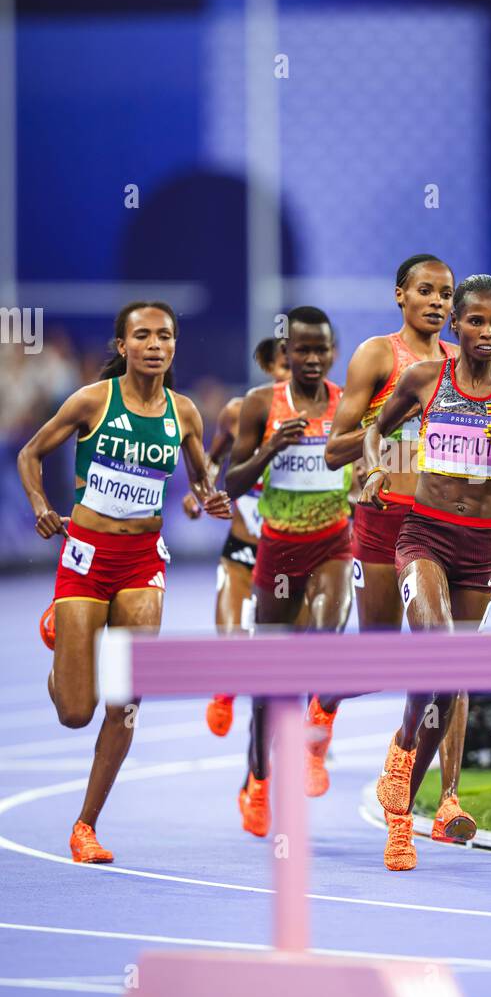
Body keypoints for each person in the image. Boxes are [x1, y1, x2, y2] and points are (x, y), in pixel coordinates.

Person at [362, 275, 491, 870]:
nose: (487, 332)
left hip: (482, 549)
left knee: (451, 680)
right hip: (423, 536)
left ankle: (415, 787)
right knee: (439, 658)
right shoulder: (426, 378)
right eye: (475, 321)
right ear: (456, 327)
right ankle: (404, 786)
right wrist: (375, 471)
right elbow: (375, 431)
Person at [17, 301, 231, 864]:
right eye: (143, 335)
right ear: (122, 346)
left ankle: (85, 826)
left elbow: (201, 473)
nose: (155, 344)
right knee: (75, 711)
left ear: (174, 346)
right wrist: (41, 505)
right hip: (86, 558)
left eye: (165, 335)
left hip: (142, 562)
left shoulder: (184, 412)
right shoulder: (93, 401)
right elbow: (30, 454)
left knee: (128, 698)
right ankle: (63, 641)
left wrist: (207, 496)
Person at [324, 254, 475, 844]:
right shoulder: (378, 356)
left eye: (446, 293)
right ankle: (326, 694)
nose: (437, 302)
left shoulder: (466, 366)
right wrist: (375, 459)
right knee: (384, 658)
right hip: (383, 525)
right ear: (400, 296)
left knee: (451, 658)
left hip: (442, 530)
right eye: (425, 291)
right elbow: (337, 446)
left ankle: (447, 800)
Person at [225, 307, 353, 835]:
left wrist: (368, 475)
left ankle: (314, 735)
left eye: (321, 349)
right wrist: (271, 448)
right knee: (270, 681)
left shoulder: (349, 404)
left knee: (328, 637)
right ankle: (257, 778)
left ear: (332, 353)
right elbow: (230, 484)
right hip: (277, 549)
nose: (312, 358)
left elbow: (368, 455)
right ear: (287, 354)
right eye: (302, 349)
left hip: (333, 543)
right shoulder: (261, 405)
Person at [181, 338, 290, 737]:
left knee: (289, 656)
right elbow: (211, 459)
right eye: (282, 367)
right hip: (242, 551)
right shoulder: (236, 413)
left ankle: (303, 726)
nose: (290, 375)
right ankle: (226, 686)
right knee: (232, 643)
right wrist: (200, 494)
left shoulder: (326, 418)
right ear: (268, 369)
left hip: (293, 557)